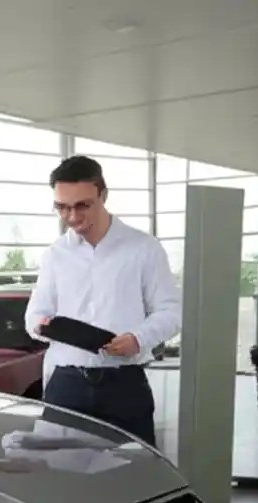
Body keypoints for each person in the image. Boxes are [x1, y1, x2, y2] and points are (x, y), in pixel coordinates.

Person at [24, 155, 181, 447]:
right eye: (62, 207)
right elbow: (33, 315)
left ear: (103, 195)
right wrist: (42, 325)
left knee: (134, 472)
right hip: (66, 383)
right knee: (62, 476)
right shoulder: (55, 255)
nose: (72, 216)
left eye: (83, 205)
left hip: (123, 384)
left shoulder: (143, 248)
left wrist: (138, 338)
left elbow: (171, 310)